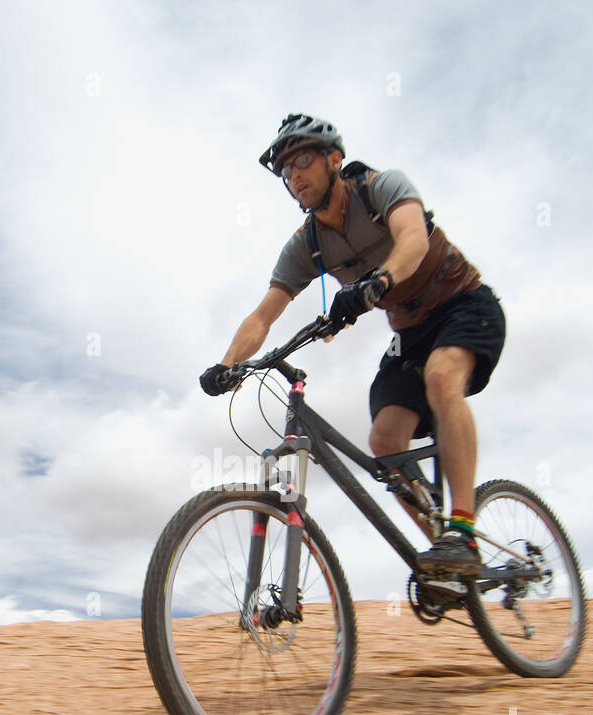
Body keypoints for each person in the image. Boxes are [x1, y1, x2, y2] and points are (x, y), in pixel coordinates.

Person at [200, 113, 506, 578]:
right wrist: (226, 365)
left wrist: (376, 281)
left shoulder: (381, 188)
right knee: (384, 441)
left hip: (463, 305)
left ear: (334, 159)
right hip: (410, 333)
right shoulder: (307, 245)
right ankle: (450, 561)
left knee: (443, 377)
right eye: (285, 170)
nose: (295, 174)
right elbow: (263, 315)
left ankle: (461, 531)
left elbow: (413, 241)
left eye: (303, 159)